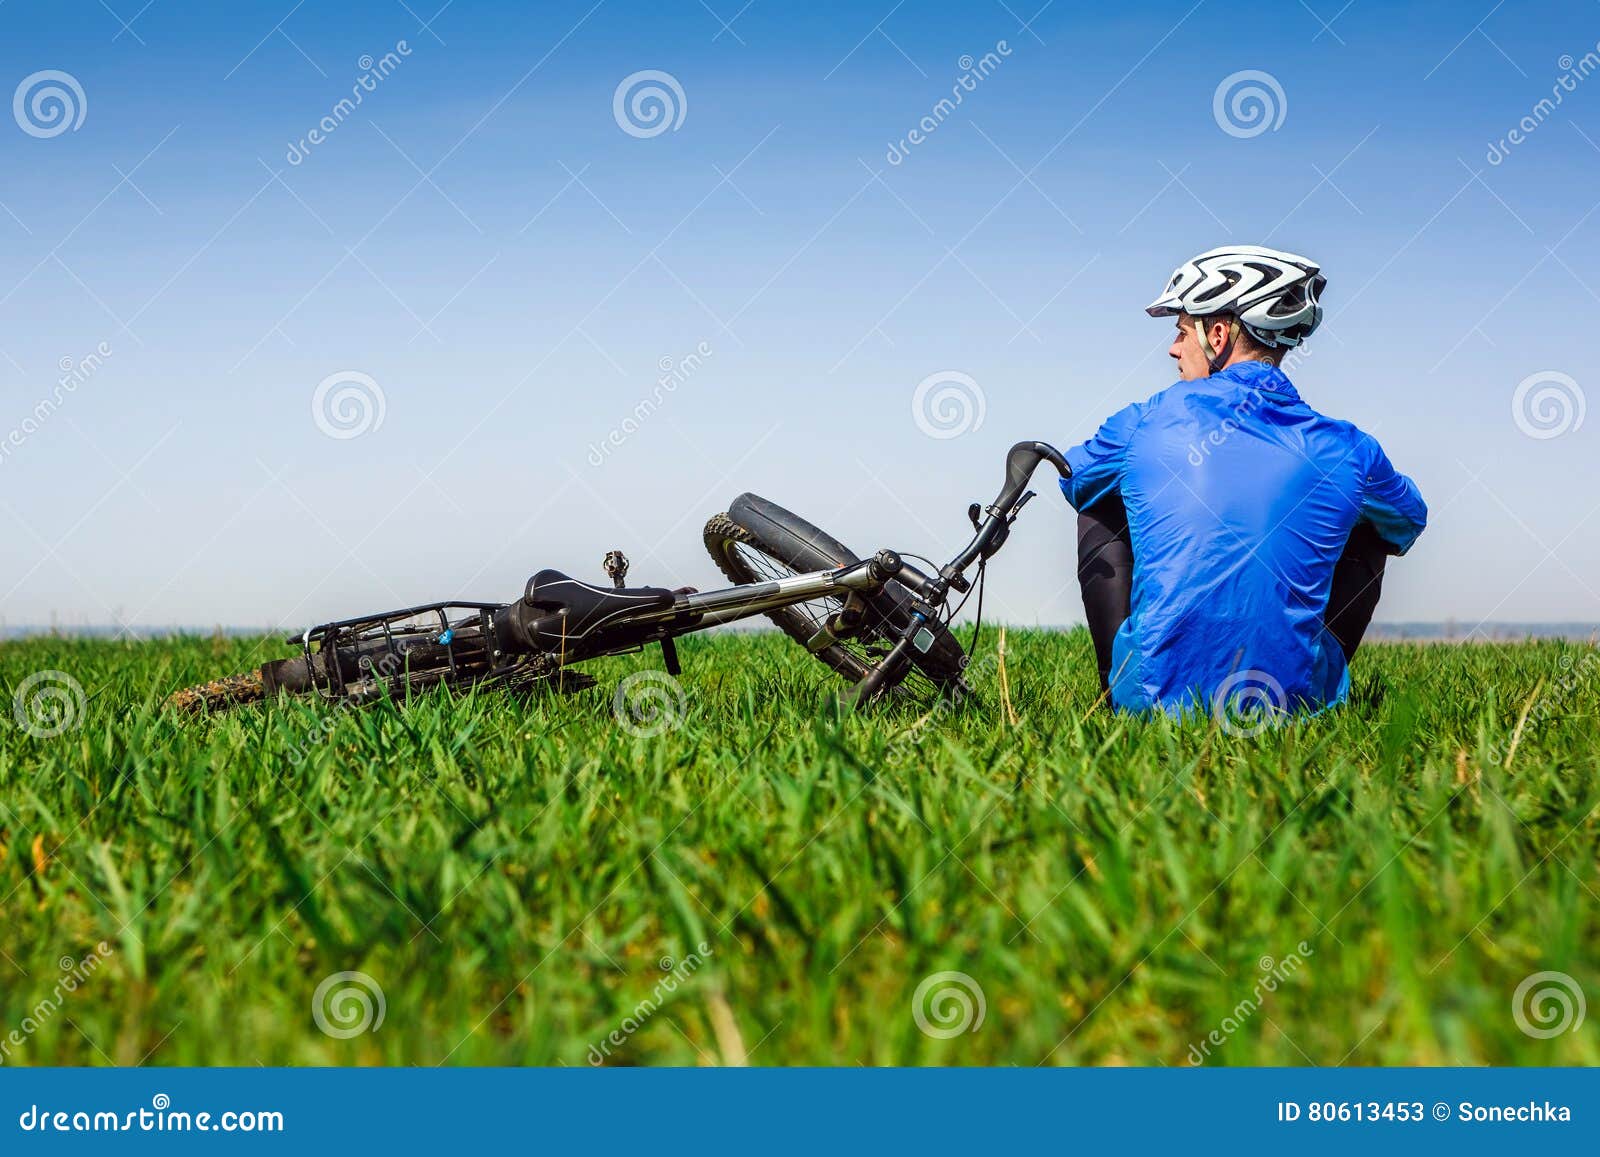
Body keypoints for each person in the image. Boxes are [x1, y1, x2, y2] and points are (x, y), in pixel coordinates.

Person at [1061, 244, 1426, 718]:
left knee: (1101, 500)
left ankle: (1119, 701)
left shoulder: (1143, 422)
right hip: (1290, 708)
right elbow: (1407, 522)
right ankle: (1309, 691)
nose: (1173, 348)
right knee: (1371, 524)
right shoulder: (1350, 449)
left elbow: (1074, 480)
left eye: (1180, 331)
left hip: (1150, 705)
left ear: (1217, 334)